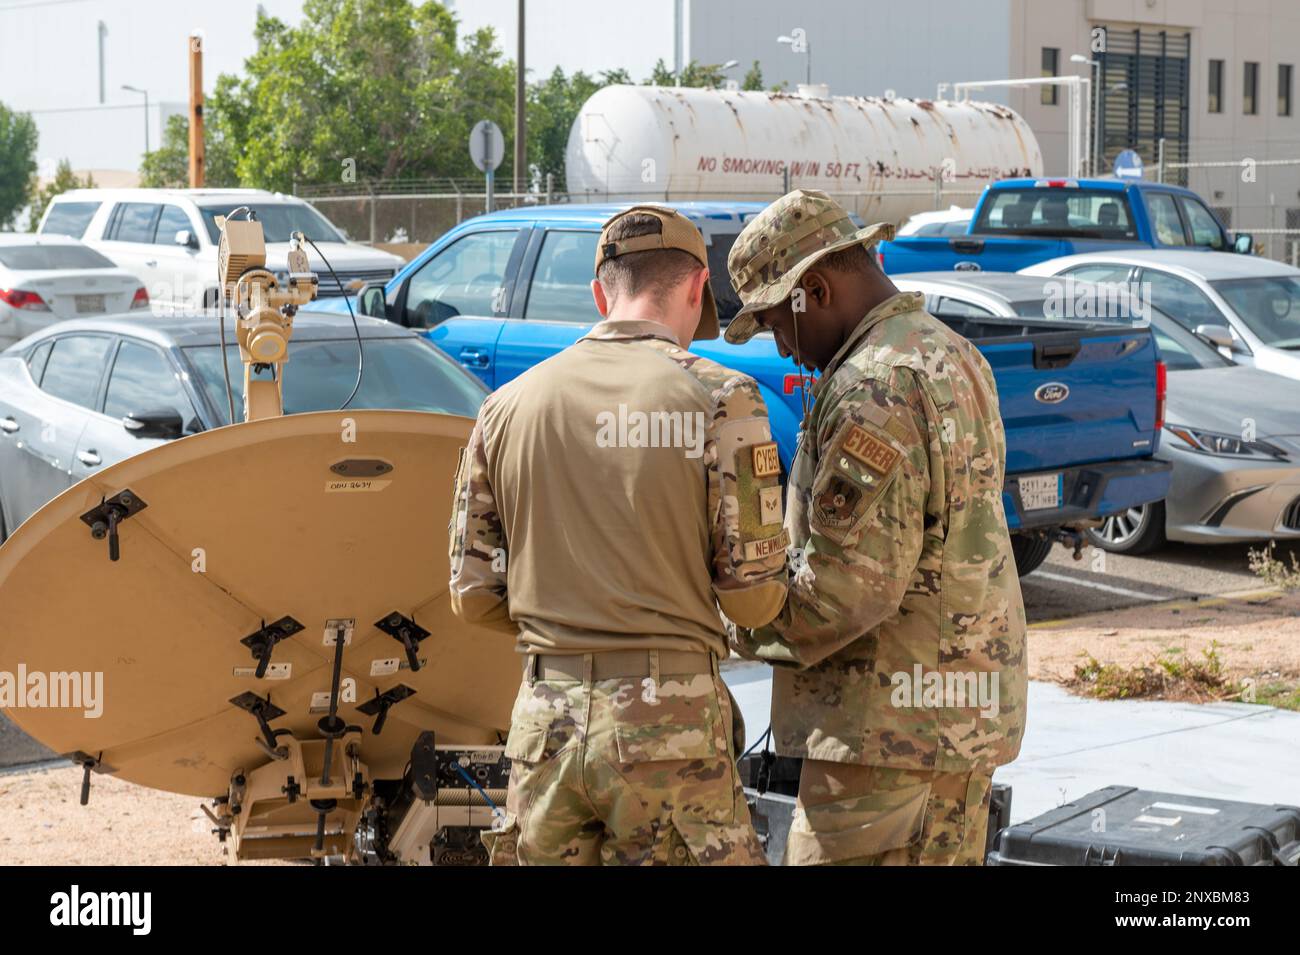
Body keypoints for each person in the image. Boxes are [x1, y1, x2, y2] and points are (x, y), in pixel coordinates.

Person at [448, 205, 786, 866]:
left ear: (601, 293)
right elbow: (753, 596)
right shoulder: (725, 398)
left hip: (545, 723)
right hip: (672, 729)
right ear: (695, 289)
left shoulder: (505, 406)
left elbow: (471, 592)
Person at [724, 189, 1027, 866]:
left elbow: (845, 589)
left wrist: (733, 625)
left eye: (777, 321)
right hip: (949, 721)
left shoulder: (874, 385)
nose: (782, 345)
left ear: (815, 291)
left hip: (888, 740)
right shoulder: (951, 353)